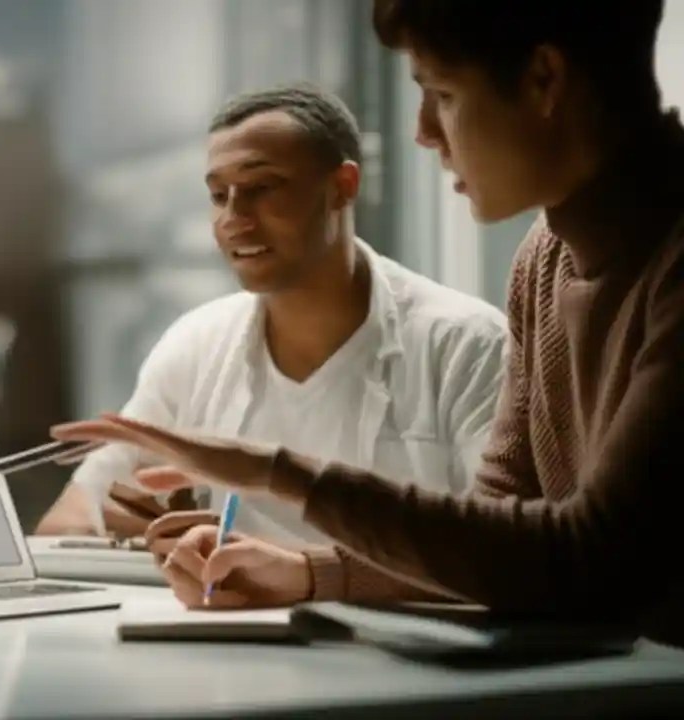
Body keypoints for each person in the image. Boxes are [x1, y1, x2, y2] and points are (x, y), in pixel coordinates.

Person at [55, 0, 684, 645]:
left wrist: (277, 471)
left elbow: (593, 558)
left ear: (544, 80)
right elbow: (492, 534)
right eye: (219, 194)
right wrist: (308, 572)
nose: (423, 132)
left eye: (441, 92)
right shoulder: (545, 257)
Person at [38, 85, 507, 603]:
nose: (233, 218)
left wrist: (306, 572)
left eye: (262, 188)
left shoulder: (466, 345)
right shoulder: (195, 346)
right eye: (219, 195)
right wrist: (123, 537)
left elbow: (502, 554)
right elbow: (70, 520)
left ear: (342, 187)